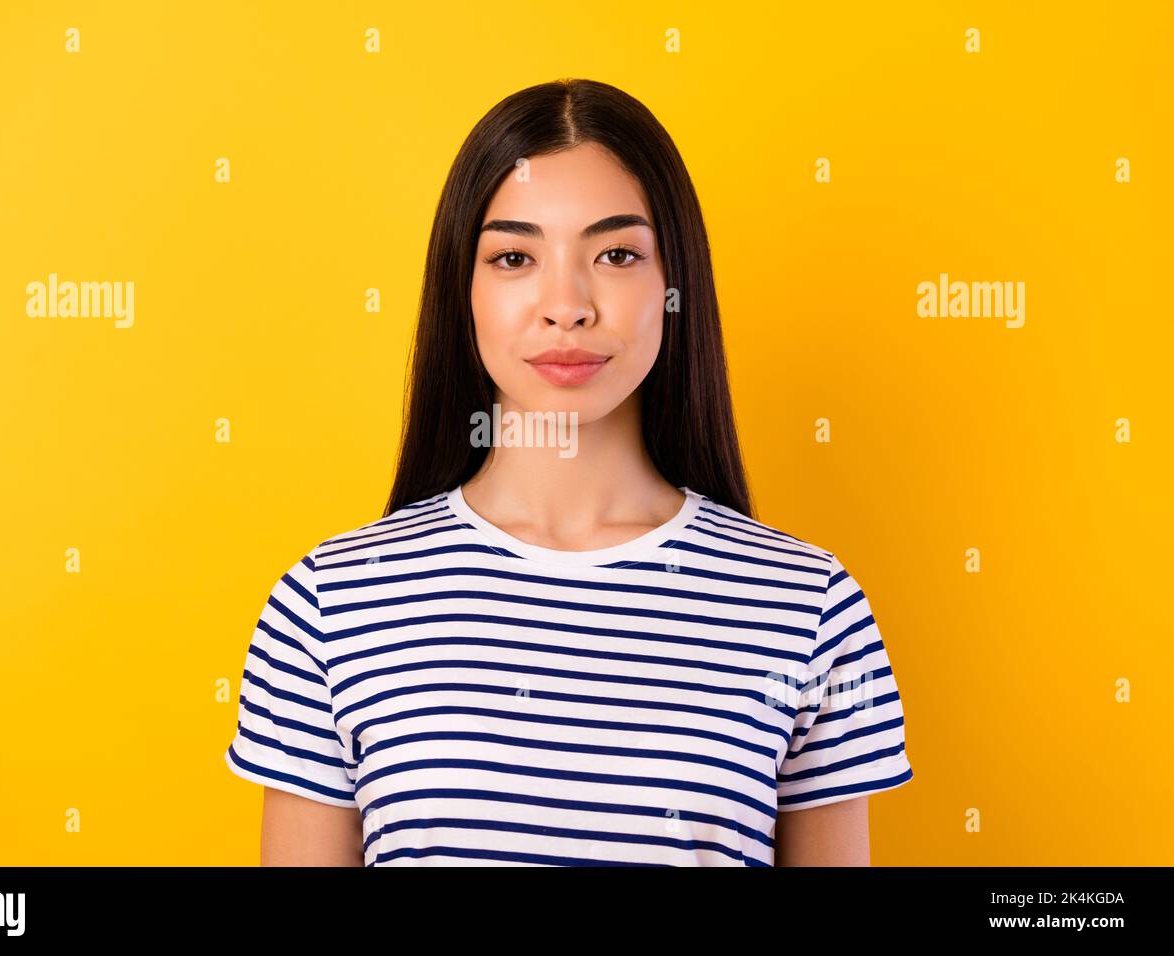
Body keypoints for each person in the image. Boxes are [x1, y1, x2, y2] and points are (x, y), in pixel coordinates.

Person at [224, 78, 913, 866]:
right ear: (464, 292)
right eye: (515, 256)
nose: (567, 305)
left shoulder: (808, 607)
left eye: (616, 254)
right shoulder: (330, 603)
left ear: (673, 286)